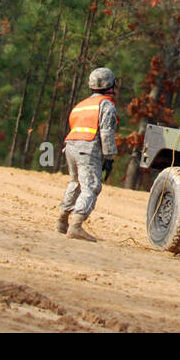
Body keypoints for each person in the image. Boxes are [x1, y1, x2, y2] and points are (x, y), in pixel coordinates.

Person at [57, 67, 120, 242]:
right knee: (91, 187)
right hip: (88, 148)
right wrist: (109, 157)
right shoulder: (106, 105)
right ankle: (76, 226)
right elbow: (106, 133)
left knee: (75, 183)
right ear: (110, 85)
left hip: (70, 146)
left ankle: (61, 221)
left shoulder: (81, 105)